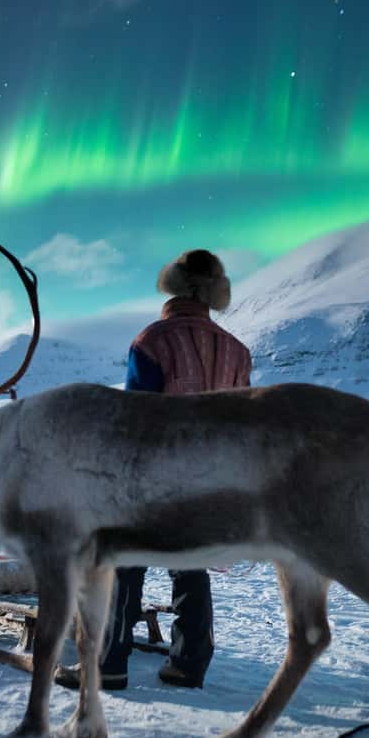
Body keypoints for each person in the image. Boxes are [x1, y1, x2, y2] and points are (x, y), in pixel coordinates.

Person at [56, 249, 251, 691]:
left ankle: (108, 665)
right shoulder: (237, 352)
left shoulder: (151, 342)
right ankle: (188, 664)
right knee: (191, 568)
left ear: (172, 285)